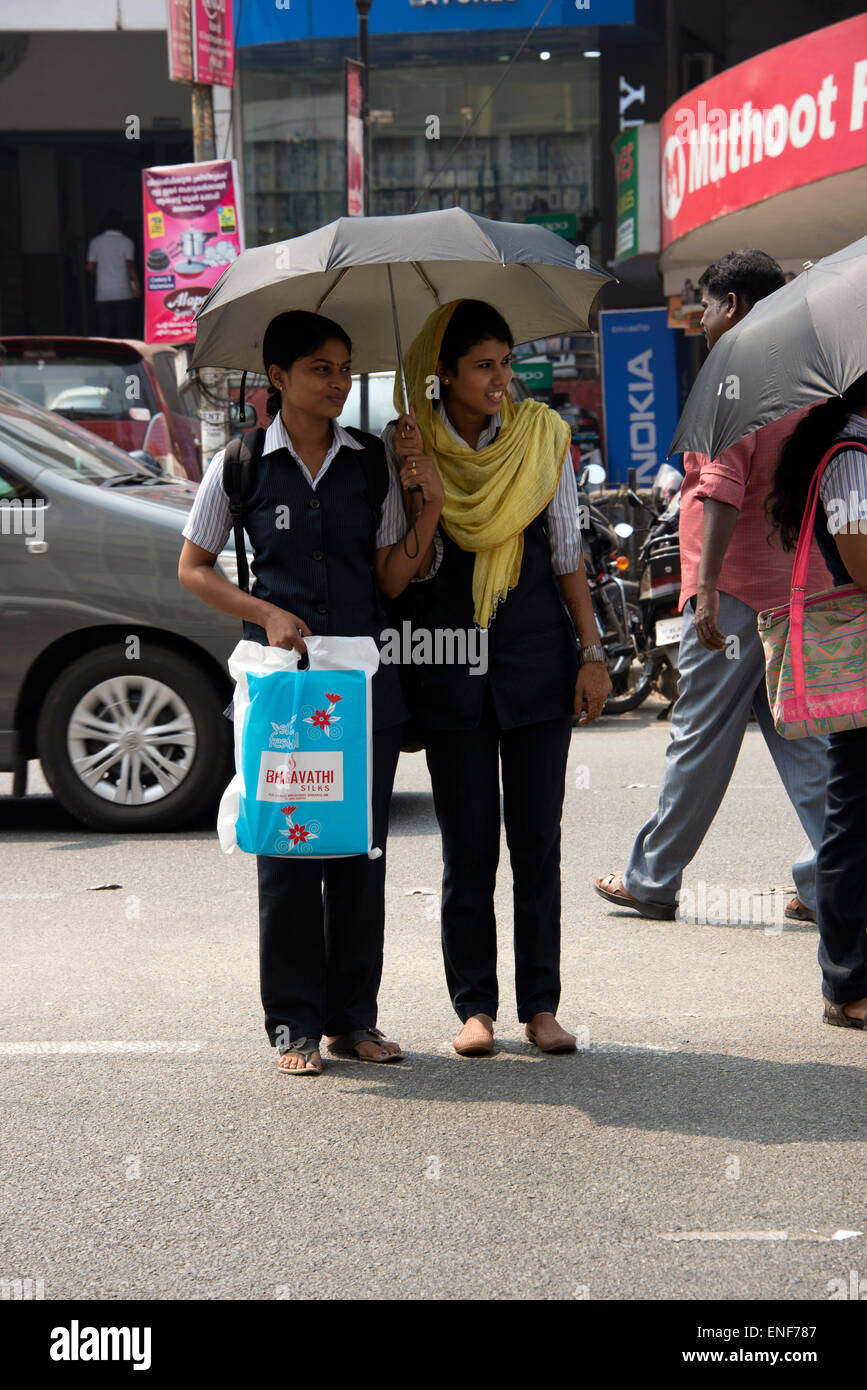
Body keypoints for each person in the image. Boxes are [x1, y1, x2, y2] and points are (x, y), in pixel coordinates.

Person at [179, 311, 441, 1074]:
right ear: (279, 379)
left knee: (361, 854)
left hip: (360, 690)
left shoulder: (370, 462)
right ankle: (292, 1025)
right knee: (287, 858)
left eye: (345, 367)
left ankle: (353, 1019)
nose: (338, 382)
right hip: (285, 694)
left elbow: (395, 576)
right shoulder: (241, 464)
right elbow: (192, 567)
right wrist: (263, 613)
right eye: (321, 368)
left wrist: (424, 504)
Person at [383, 298, 611, 1057]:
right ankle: (474, 1006)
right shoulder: (409, 454)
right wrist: (421, 494)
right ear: (440, 373)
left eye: (505, 364)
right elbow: (396, 575)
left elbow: (568, 554)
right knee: (467, 846)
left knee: (536, 841)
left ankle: (539, 1006)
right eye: (482, 365)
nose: (500, 380)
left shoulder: (543, 439)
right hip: (447, 668)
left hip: (537, 660)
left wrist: (591, 652)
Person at [594, 250, 831, 924]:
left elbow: (721, 489)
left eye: (705, 303)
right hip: (797, 589)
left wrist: (701, 593)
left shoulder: (732, 373)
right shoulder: (806, 377)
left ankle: (650, 877)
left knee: (698, 739)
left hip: (733, 595)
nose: (697, 318)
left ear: (735, 306)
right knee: (804, 744)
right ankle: (837, 881)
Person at [767, 374, 867, 1027]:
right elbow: (861, 563)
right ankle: (847, 983)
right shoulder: (849, 458)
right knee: (853, 824)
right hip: (858, 661)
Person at [86, 210, 141, 338]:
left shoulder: (95, 242)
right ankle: (127, 357)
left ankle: (105, 356)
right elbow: (130, 267)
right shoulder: (127, 242)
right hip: (123, 292)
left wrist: (99, 275)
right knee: (124, 330)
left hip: (103, 293)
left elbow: (90, 268)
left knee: (105, 330)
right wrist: (136, 287)